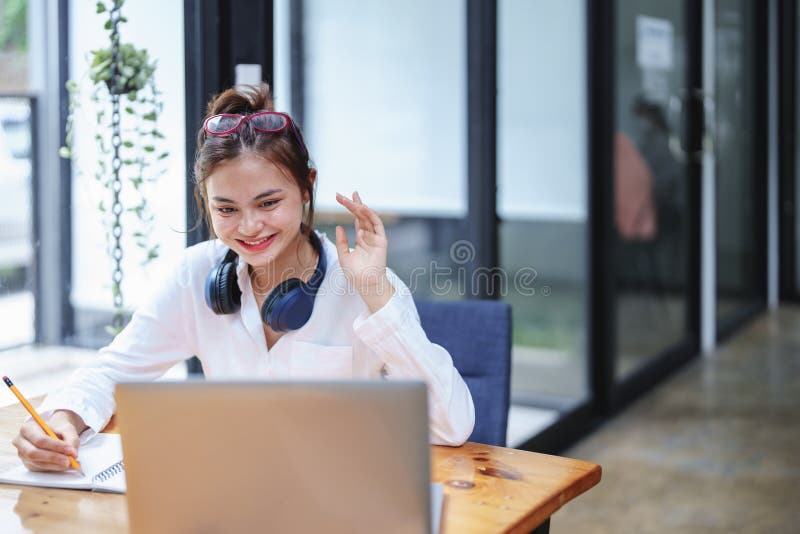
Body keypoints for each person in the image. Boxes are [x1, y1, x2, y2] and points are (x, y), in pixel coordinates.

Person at [13, 83, 475, 472]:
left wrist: (375, 293)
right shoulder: (196, 274)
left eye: (268, 203)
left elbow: (451, 426)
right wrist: (63, 419)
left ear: (307, 186)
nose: (249, 227)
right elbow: (113, 369)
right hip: (239, 498)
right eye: (226, 209)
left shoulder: (362, 284)